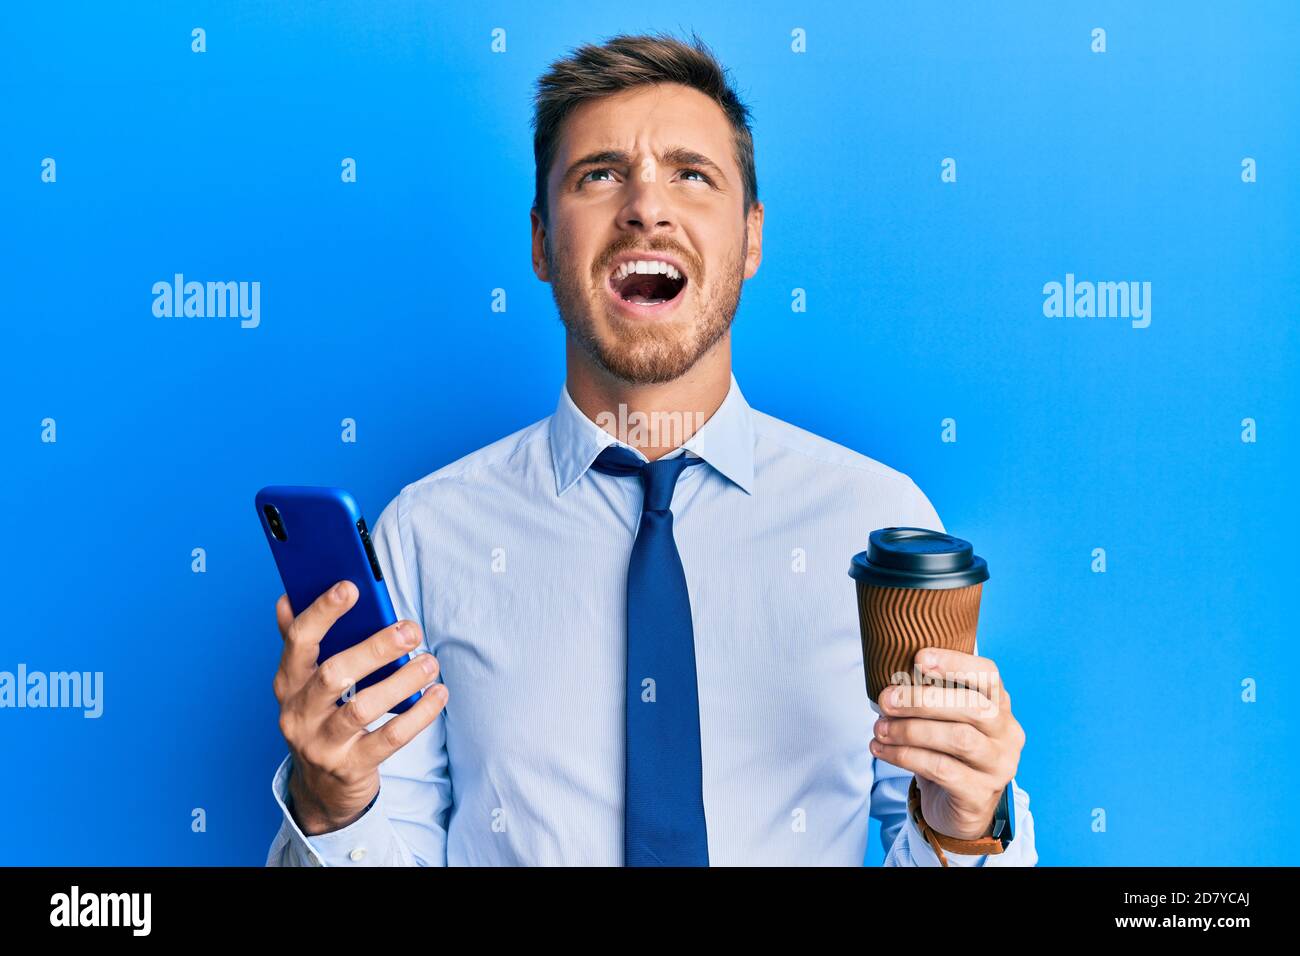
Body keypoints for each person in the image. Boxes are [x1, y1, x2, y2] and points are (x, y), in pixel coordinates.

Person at [267, 31, 1037, 867]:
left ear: (751, 241)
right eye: (599, 175)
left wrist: (964, 825)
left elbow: (931, 821)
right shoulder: (426, 534)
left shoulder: (878, 523)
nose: (645, 207)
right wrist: (330, 802)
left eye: (691, 175)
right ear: (538, 243)